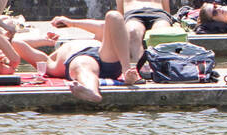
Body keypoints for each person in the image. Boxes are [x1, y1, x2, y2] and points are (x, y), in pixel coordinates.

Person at [14, 10, 142, 104]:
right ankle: (92, 91)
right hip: (82, 59)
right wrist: (43, 41)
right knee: (84, 64)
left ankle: (127, 73)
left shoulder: (91, 41)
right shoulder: (48, 62)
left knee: (113, 16)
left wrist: (71, 23)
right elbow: (16, 43)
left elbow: (103, 26)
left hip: (104, 53)